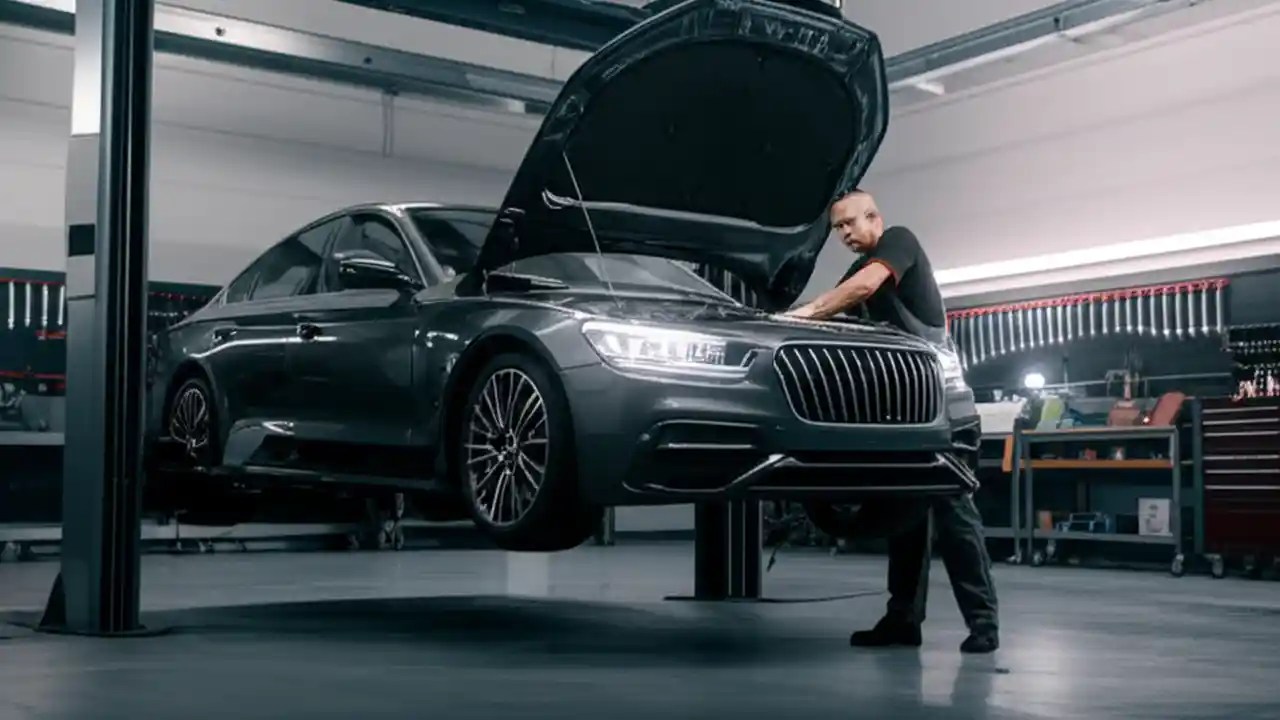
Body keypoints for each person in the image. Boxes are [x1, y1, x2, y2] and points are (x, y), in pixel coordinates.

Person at [786, 188, 1000, 654]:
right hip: (906, 414)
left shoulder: (898, 243)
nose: (842, 234)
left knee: (954, 514)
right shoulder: (857, 271)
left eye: (848, 224)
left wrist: (804, 313)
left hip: (948, 411)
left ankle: (984, 624)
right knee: (906, 516)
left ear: (873, 218)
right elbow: (834, 303)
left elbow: (859, 290)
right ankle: (903, 620)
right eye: (837, 228)